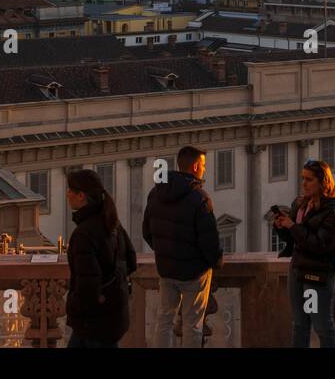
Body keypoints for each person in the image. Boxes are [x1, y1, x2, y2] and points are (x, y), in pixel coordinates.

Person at [142, 145, 223, 347]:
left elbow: (147, 231)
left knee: (164, 320)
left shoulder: (156, 193)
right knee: (192, 325)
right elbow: (209, 241)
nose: (204, 169)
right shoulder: (200, 198)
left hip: (166, 270)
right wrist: (216, 261)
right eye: (203, 165)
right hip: (194, 272)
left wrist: (164, 251)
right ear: (195, 166)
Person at [272, 160, 335, 348]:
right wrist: (282, 226)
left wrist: (293, 226)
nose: (304, 184)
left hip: (316, 275)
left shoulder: (334, 211)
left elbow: (321, 245)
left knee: (322, 325)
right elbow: (294, 239)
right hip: (298, 270)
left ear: (323, 182)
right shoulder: (301, 204)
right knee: (300, 324)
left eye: (309, 179)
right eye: (303, 179)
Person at [65, 169, 137, 348]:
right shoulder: (112, 223)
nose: (67, 194)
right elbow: (131, 260)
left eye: (70, 190)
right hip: (113, 315)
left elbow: (87, 284)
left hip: (94, 321)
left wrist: (73, 304)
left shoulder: (83, 233)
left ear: (81, 196)